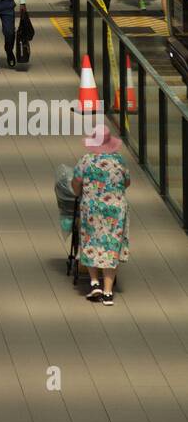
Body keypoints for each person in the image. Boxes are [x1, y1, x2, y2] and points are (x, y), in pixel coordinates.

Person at [71, 125, 130, 304]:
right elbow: (127, 182)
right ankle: (108, 293)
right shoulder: (119, 161)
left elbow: (76, 186)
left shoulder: (85, 161)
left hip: (92, 208)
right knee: (111, 245)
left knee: (91, 241)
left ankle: (94, 282)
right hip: (116, 209)